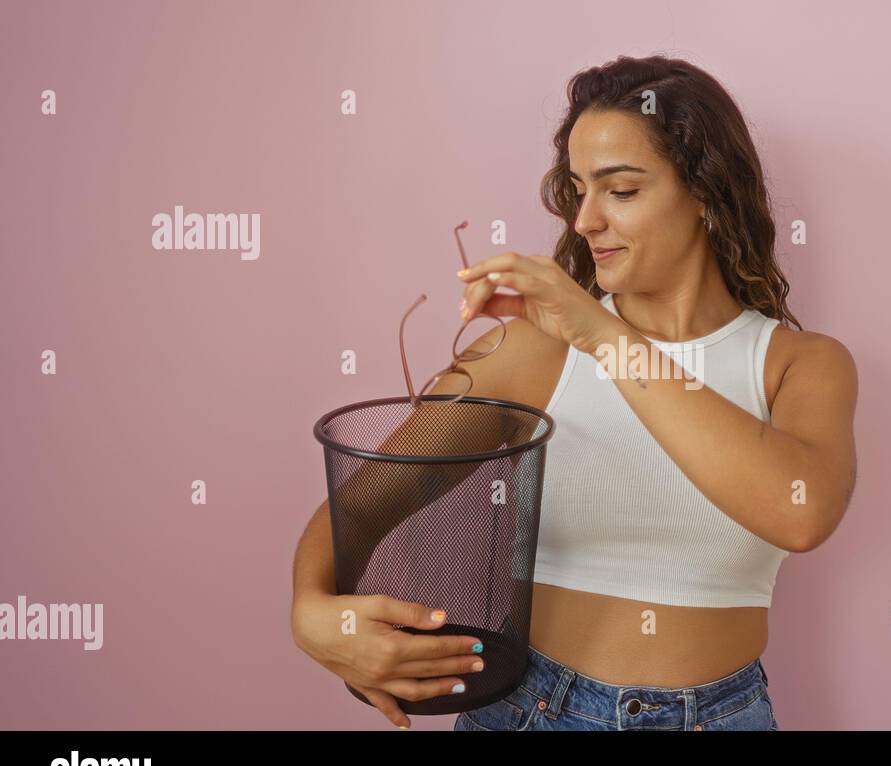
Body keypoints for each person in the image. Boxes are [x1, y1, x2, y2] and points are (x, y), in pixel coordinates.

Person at [291, 54, 858, 730]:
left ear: (705, 193)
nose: (585, 219)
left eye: (619, 190)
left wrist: (604, 336)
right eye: (578, 189)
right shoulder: (531, 353)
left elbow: (801, 512)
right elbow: (356, 510)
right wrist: (310, 611)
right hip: (528, 708)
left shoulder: (798, 365)